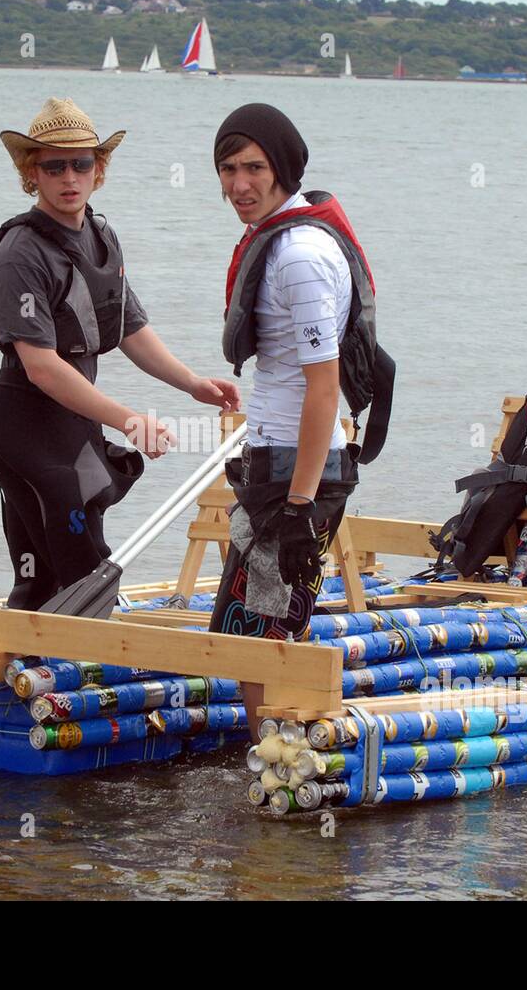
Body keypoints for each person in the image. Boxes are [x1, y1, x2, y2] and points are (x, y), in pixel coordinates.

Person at [0, 98, 240, 610]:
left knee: (64, 555)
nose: (69, 177)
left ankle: (54, 662)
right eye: (53, 165)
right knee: (75, 559)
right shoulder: (20, 252)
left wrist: (192, 383)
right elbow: (42, 367)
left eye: (81, 163)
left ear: (100, 170)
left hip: (74, 422)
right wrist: (128, 420)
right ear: (32, 174)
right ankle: (60, 665)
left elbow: (127, 327)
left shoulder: (102, 237)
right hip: (22, 420)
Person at [206, 103, 394, 721]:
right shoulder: (286, 239)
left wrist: (297, 508)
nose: (239, 185)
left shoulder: (300, 257)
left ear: (284, 168)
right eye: (228, 169)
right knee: (254, 634)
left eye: (254, 168)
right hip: (281, 462)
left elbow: (323, 385)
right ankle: (269, 770)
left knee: (262, 643)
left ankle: (279, 771)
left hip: (294, 471)